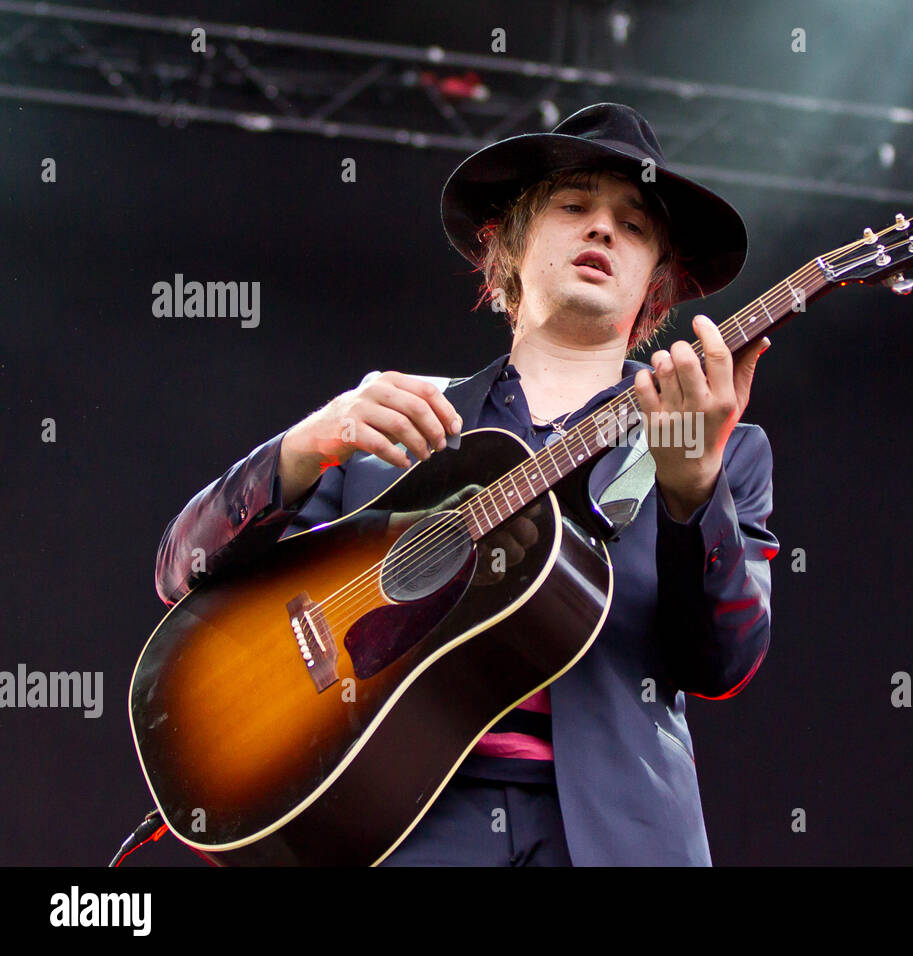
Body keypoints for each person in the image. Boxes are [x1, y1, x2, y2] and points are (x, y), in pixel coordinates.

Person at [154, 102, 778, 866]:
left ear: (658, 281)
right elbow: (182, 572)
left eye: (635, 225)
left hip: (618, 839)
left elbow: (723, 664)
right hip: (394, 820)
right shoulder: (393, 422)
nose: (603, 229)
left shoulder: (720, 447)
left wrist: (694, 491)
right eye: (573, 206)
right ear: (508, 242)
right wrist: (307, 442)